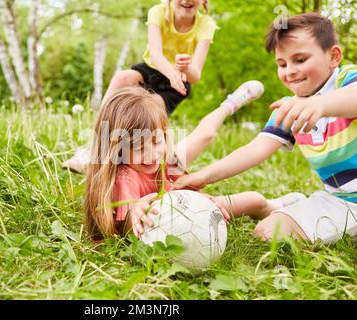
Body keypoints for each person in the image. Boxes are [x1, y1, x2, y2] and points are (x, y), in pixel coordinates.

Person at [173, 13, 357, 244]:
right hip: (339, 200)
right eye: (282, 64)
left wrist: (319, 104)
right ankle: (283, 204)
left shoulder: (347, 81)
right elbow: (255, 150)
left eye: (300, 60)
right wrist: (204, 176)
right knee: (266, 233)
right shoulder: (288, 108)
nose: (289, 71)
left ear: (333, 56)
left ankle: (290, 206)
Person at [83, 86, 305, 241]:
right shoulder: (126, 178)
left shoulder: (156, 158)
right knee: (254, 200)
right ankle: (275, 206)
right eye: (139, 147)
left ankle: (231, 103)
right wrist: (134, 214)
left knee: (205, 135)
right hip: (179, 215)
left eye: (156, 140)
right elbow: (129, 225)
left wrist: (202, 198)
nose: (151, 153)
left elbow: (168, 179)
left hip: (172, 182)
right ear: (117, 149)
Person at [63, 0, 217, 173]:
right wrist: (171, 72)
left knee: (151, 108)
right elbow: (156, 54)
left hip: (178, 82)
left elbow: (195, 75)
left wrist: (185, 67)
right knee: (123, 78)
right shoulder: (158, 12)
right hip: (152, 69)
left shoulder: (206, 24)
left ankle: (142, 164)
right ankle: (94, 149)